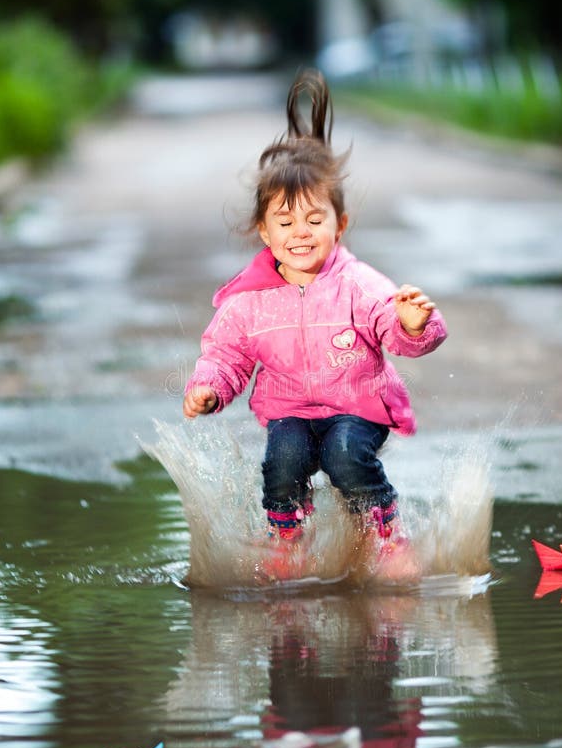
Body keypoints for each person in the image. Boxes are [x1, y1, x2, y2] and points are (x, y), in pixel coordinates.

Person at [183, 68, 447, 577]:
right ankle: (286, 539)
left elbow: (393, 332)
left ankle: (387, 538)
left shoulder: (359, 283)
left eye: (314, 220)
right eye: (285, 222)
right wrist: (209, 388)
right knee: (283, 457)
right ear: (264, 231)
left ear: (339, 225)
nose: (300, 233)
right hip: (292, 411)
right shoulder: (250, 299)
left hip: (357, 406)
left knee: (346, 454)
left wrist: (412, 325)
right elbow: (226, 355)